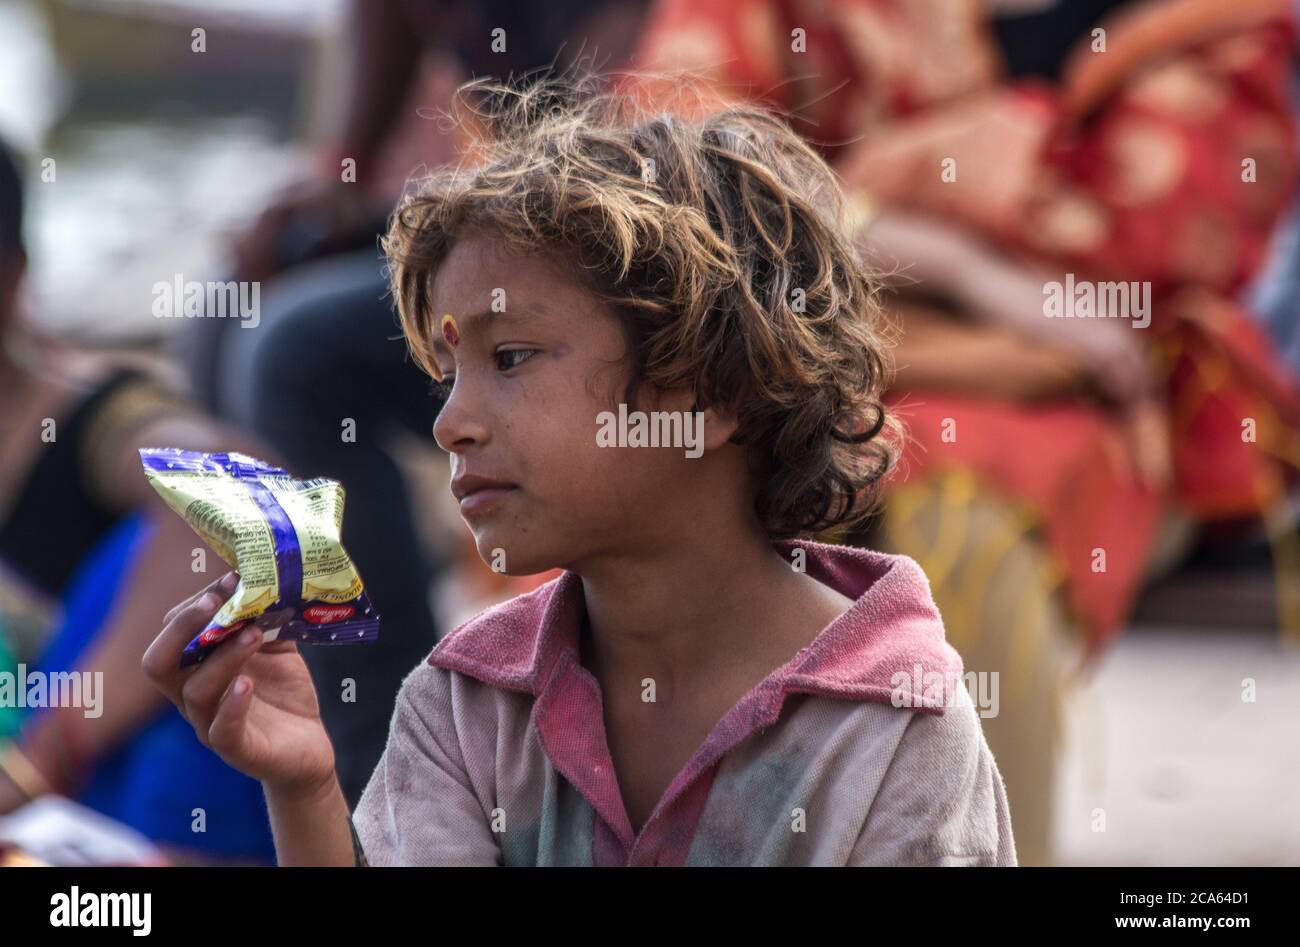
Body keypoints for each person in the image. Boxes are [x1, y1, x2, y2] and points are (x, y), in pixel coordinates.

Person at [143, 74, 1017, 866]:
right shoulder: (463, 707)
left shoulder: (893, 729)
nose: (450, 425)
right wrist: (304, 792)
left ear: (704, 395)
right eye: (448, 380)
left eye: (512, 357)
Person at [629, 0, 1300, 864]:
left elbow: (1139, 253)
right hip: (779, 366)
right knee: (665, 480)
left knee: (962, 534)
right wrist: (967, 264)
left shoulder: (1210, 19)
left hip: (1091, 401)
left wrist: (815, 201)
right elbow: (663, 167)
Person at [191, 0, 649, 808]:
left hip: (623, 236)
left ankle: (383, 758)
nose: (450, 424)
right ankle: (343, 732)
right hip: (518, 216)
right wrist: (334, 183)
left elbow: (620, 179)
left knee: (293, 350)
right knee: (225, 316)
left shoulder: (641, 36)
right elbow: (381, 76)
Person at [0, 140, 277, 862]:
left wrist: (43, 754)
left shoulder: (84, 418)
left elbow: (243, 492)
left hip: (102, 817)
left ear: (12, 276)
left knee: (182, 563)